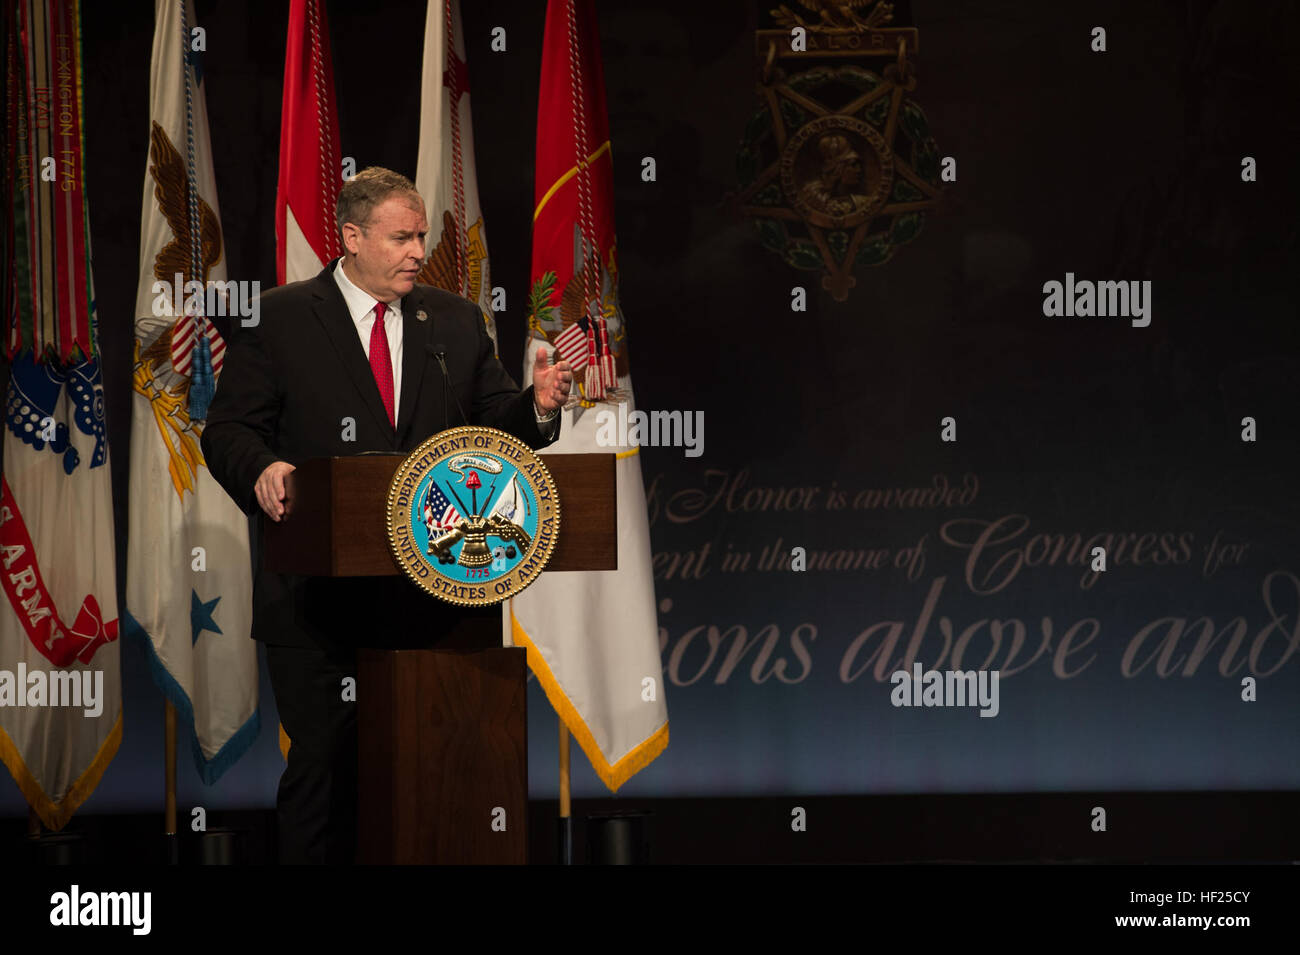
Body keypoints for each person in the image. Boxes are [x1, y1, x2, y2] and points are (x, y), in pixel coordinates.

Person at [200, 167, 572, 864]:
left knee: (442, 771)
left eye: (423, 236)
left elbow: (496, 429)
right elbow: (228, 431)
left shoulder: (454, 321)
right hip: (318, 600)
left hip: (436, 600)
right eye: (401, 237)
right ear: (351, 236)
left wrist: (540, 404)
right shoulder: (281, 318)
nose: (417, 250)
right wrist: (265, 469)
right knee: (327, 779)